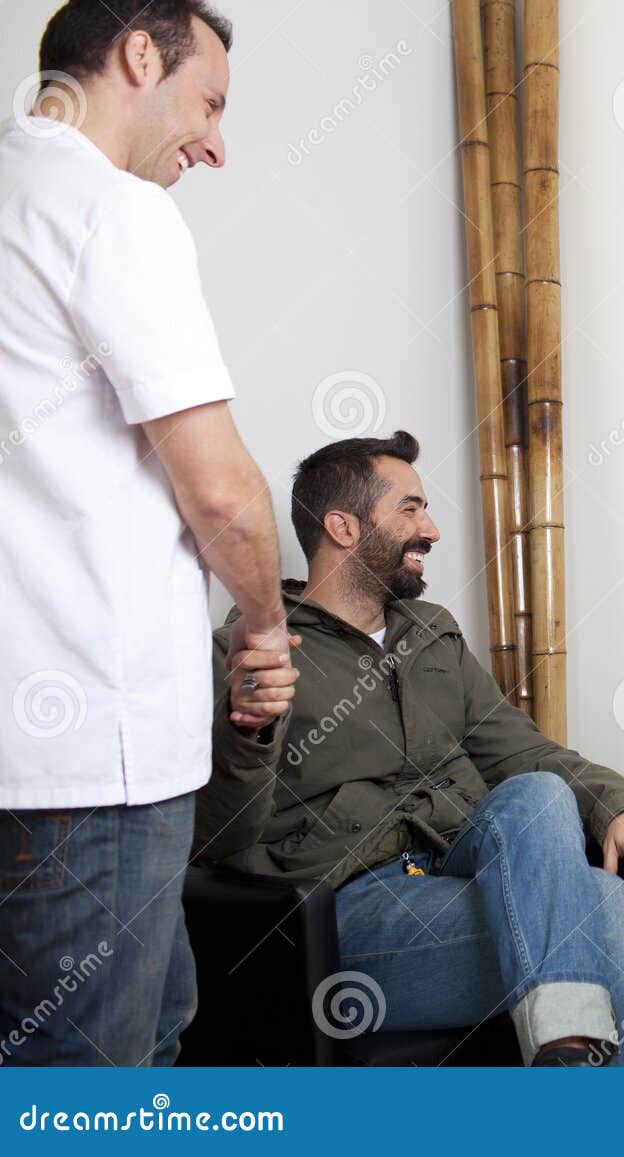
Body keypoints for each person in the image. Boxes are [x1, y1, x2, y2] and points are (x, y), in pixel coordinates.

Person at [0, 0, 293, 1067]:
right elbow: (220, 492)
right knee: (98, 1078)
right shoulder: (109, 209)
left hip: (29, 756)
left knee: (131, 1040)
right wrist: (265, 626)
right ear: (136, 55)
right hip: (94, 766)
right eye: (209, 101)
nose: (215, 143)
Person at [193, 431, 624, 1065]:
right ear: (342, 527)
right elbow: (216, 836)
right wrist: (249, 729)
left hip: (450, 865)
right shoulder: (255, 653)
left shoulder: (431, 635)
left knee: (540, 794)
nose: (433, 529)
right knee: (601, 905)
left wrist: (621, 806)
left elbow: (526, 753)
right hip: (345, 914)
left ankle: (570, 1067)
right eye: (410, 508)